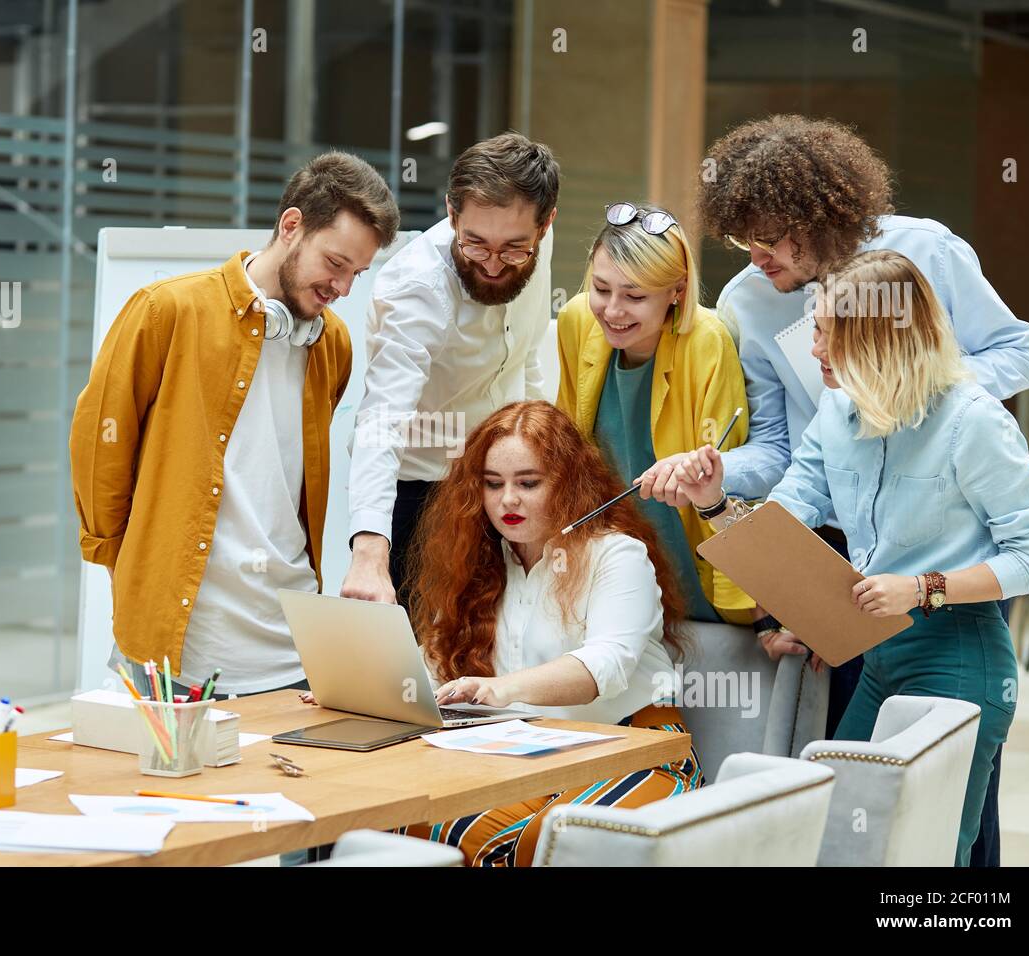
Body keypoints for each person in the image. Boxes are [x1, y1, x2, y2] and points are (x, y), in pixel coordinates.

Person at [640, 114, 1029, 864]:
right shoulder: (757, 311)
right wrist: (716, 487)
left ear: (816, 219)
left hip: (947, 565)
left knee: (944, 819)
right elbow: (789, 466)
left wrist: (919, 401)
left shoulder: (924, 255)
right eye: (742, 241)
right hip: (842, 559)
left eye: (769, 239)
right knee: (856, 810)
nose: (756, 258)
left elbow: (1020, 356)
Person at [69, 152, 400, 698]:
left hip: (293, 652)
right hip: (174, 653)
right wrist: (129, 569)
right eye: (335, 263)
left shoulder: (332, 342)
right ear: (292, 227)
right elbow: (100, 446)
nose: (343, 288)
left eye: (356, 274)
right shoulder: (166, 311)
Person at [397, 400, 700, 867]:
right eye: (492, 484)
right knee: (419, 821)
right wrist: (366, 690)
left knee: (539, 840)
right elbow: (431, 667)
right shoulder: (474, 562)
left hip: (637, 750)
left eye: (528, 483)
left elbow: (606, 666)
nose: (507, 501)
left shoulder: (617, 555)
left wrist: (500, 690)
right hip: (527, 755)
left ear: (569, 482)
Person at [341, 133, 559, 606]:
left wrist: (543, 469)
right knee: (407, 665)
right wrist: (370, 552)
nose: (494, 265)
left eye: (514, 249)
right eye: (475, 244)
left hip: (501, 484)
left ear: (545, 226)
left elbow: (526, 360)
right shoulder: (416, 288)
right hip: (422, 496)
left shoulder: (535, 244)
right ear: (452, 214)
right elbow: (381, 423)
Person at [557, 201, 754, 625]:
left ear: (677, 292)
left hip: (691, 562)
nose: (612, 310)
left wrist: (763, 615)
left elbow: (724, 478)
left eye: (635, 296)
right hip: (612, 566)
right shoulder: (576, 320)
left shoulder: (707, 341)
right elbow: (569, 448)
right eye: (601, 288)